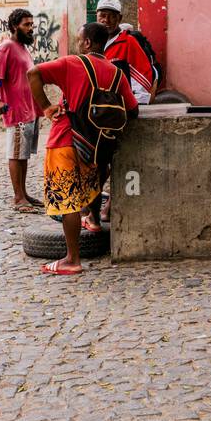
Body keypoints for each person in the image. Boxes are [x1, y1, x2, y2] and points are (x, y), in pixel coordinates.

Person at [27, 22, 139, 275]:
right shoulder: (116, 73)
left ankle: (72, 259)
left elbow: (32, 74)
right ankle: (94, 221)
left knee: (67, 202)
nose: (79, 44)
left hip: (65, 139)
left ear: (88, 42)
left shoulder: (72, 63)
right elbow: (133, 110)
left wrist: (46, 106)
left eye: (80, 40)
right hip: (95, 146)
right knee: (85, 193)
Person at [0, 8, 42, 212]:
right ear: (14, 26)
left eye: (31, 24)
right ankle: (18, 199)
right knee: (16, 154)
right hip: (16, 110)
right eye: (26, 25)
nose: (30, 28)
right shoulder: (7, 47)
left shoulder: (23, 47)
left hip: (29, 110)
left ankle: (24, 193)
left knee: (23, 154)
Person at [95, 0, 156, 104]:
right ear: (97, 16)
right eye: (102, 16)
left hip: (120, 102)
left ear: (119, 18)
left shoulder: (128, 42)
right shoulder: (93, 41)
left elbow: (142, 77)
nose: (106, 20)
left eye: (112, 16)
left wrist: (132, 101)